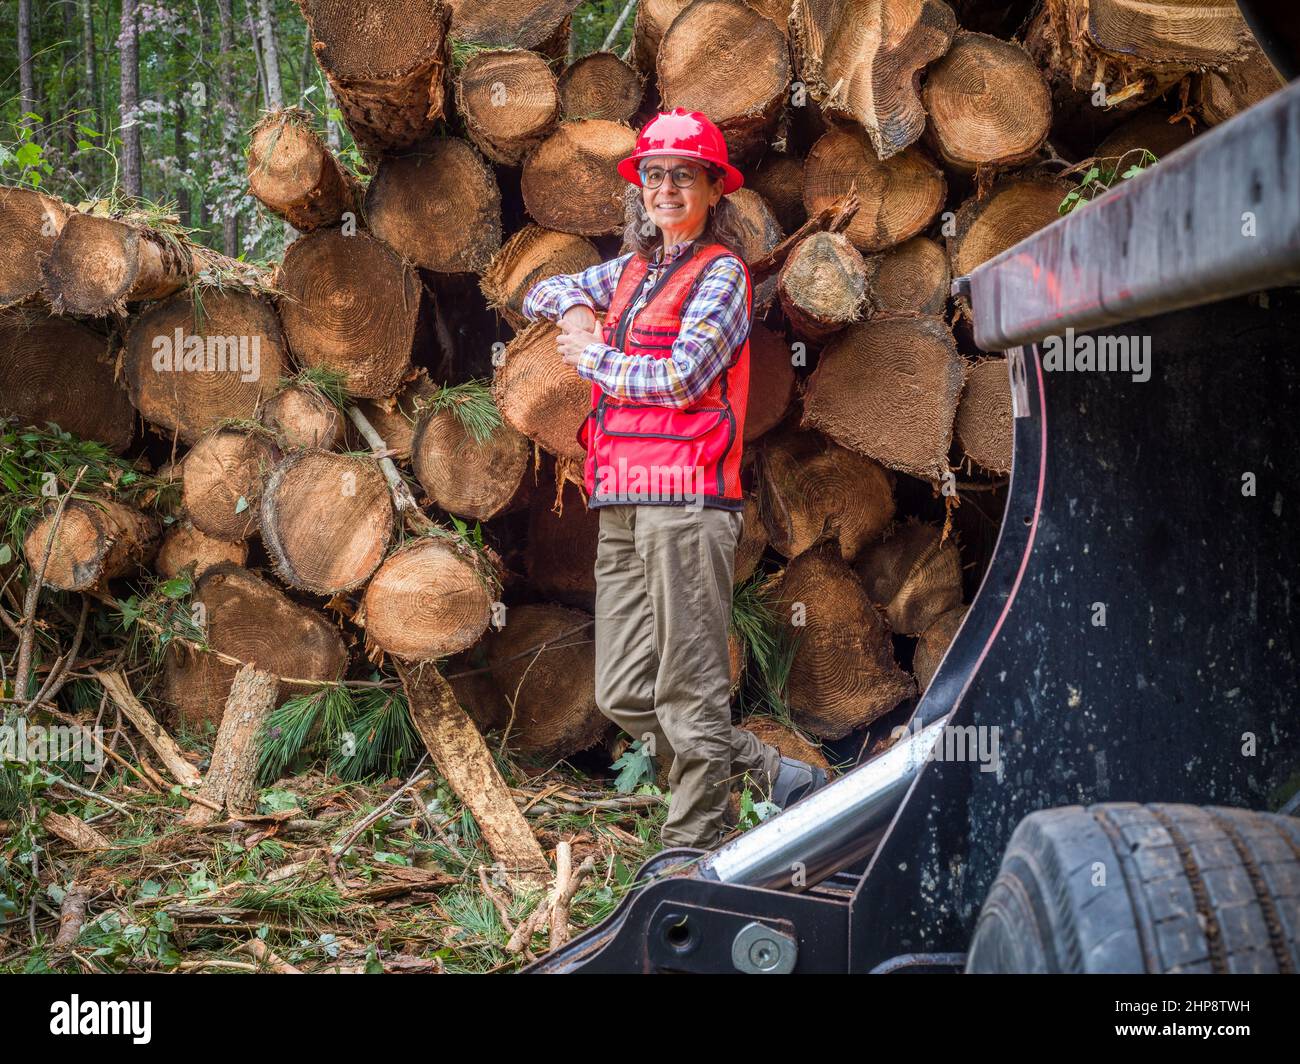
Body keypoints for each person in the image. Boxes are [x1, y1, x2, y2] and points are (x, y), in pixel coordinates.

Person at [521, 108, 827, 851]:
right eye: (654, 175)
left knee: (688, 693)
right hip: (623, 498)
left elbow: (682, 377)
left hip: (687, 502)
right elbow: (533, 296)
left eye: (681, 175)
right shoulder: (628, 269)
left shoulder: (720, 276)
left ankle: (691, 851)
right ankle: (769, 774)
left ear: (713, 189)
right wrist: (578, 311)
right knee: (623, 688)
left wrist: (591, 356)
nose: (664, 188)